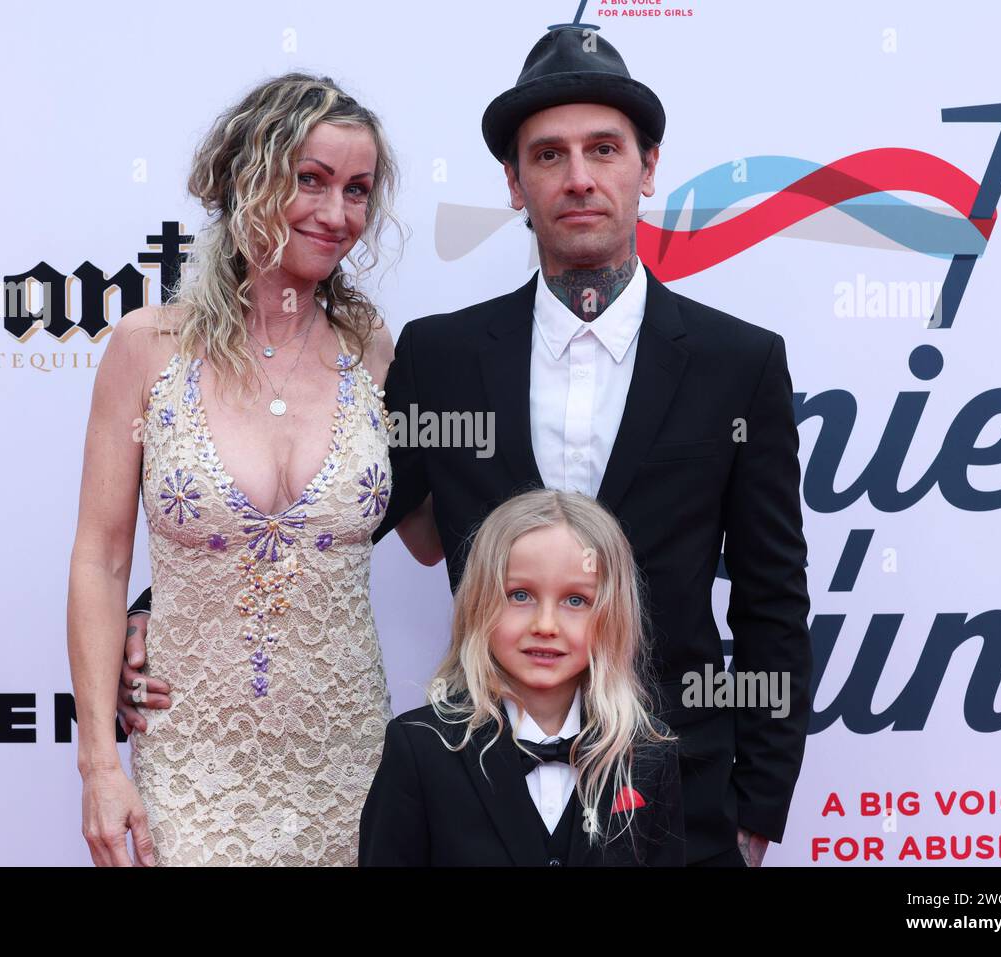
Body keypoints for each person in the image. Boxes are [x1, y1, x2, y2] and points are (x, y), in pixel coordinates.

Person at [123, 25, 812, 867]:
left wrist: (758, 808)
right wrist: (159, 603)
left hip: (676, 795)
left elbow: (773, 602)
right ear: (515, 184)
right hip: (479, 805)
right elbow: (342, 507)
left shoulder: (738, 363)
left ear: (648, 167)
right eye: (549, 156)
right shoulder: (443, 358)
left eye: (604, 149)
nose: (580, 177)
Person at [67, 72, 441, 867]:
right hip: (191, 765)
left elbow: (434, 538)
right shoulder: (147, 347)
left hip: (349, 758)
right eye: (310, 179)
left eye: (357, 189)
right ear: (247, 179)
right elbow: (101, 559)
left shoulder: (372, 349)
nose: (336, 213)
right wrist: (99, 762)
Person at [358, 489, 684, 866]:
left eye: (575, 600)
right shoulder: (420, 749)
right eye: (519, 595)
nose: (545, 625)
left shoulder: (647, 754)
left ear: (612, 617)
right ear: (479, 604)